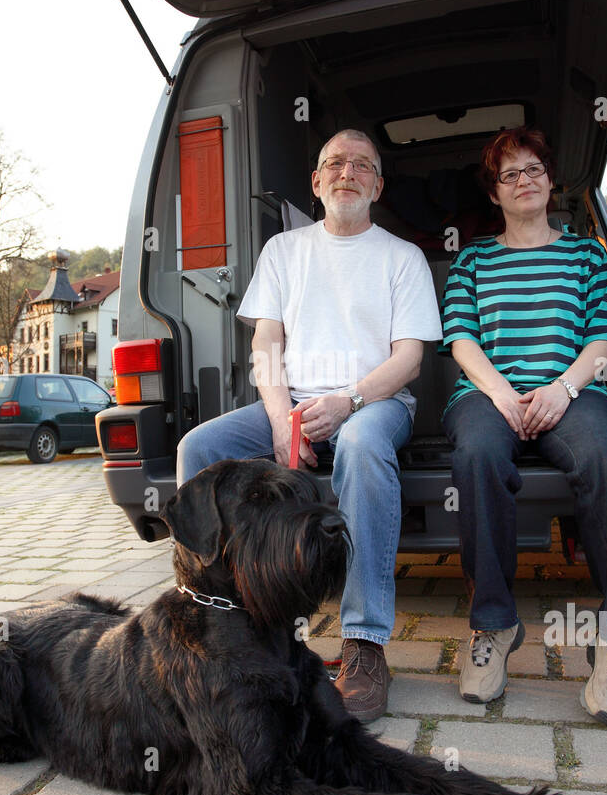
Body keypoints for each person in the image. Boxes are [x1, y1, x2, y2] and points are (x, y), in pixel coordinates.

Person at [177, 129, 442, 721]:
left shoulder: (402, 258)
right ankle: (219, 617)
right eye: (334, 164)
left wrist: (348, 402)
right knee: (200, 448)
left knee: (365, 449)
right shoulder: (283, 251)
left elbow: (409, 359)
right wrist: (279, 420)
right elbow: (266, 343)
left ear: (377, 184)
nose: (347, 173)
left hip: (375, 401)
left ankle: (365, 645)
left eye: (362, 166)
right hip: (289, 399)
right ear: (317, 183)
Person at [439, 127, 607, 727]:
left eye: (534, 168)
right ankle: (494, 625)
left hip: (575, 392)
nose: (524, 180)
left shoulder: (587, 254)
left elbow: (603, 340)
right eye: (510, 174)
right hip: (488, 393)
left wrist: (563, 389)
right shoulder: (473, 260)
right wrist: (505, 394)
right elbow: (460, 340)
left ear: (551, 178)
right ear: (495, 192)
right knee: (477, 457)